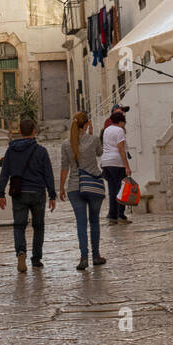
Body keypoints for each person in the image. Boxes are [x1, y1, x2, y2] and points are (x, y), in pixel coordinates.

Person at [0, 117, 56, 271]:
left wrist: (1, 193)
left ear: (20, 132)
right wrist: (52, 195)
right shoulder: (41, 151)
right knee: (38, 226)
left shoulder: (11, 150)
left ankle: (21, 252)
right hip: (37, 192)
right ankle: (36, 259)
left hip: (19, 192)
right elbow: (48, 174)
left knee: (19, 226)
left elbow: (5, 172)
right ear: (34, 131)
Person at [59, 111, 107, 271]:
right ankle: (96, 255)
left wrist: (61, 187)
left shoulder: (66, 144)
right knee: (94, 221)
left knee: (81, 223)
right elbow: (100, 152)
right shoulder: (93, 140)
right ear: (86, 124)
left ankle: (83, 257)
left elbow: (64, 167)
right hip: (93, 184)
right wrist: (92, 134)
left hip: (74, 186)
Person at [101, 111, 132, 223]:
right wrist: (127, 166)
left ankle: (112, 215)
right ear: (121, 122)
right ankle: (121, 215)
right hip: (117, 162)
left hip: (106, 162)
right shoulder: (119, 131)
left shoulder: (106, 130)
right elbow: (121, 149)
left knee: (112, 189)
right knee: (121, 189)